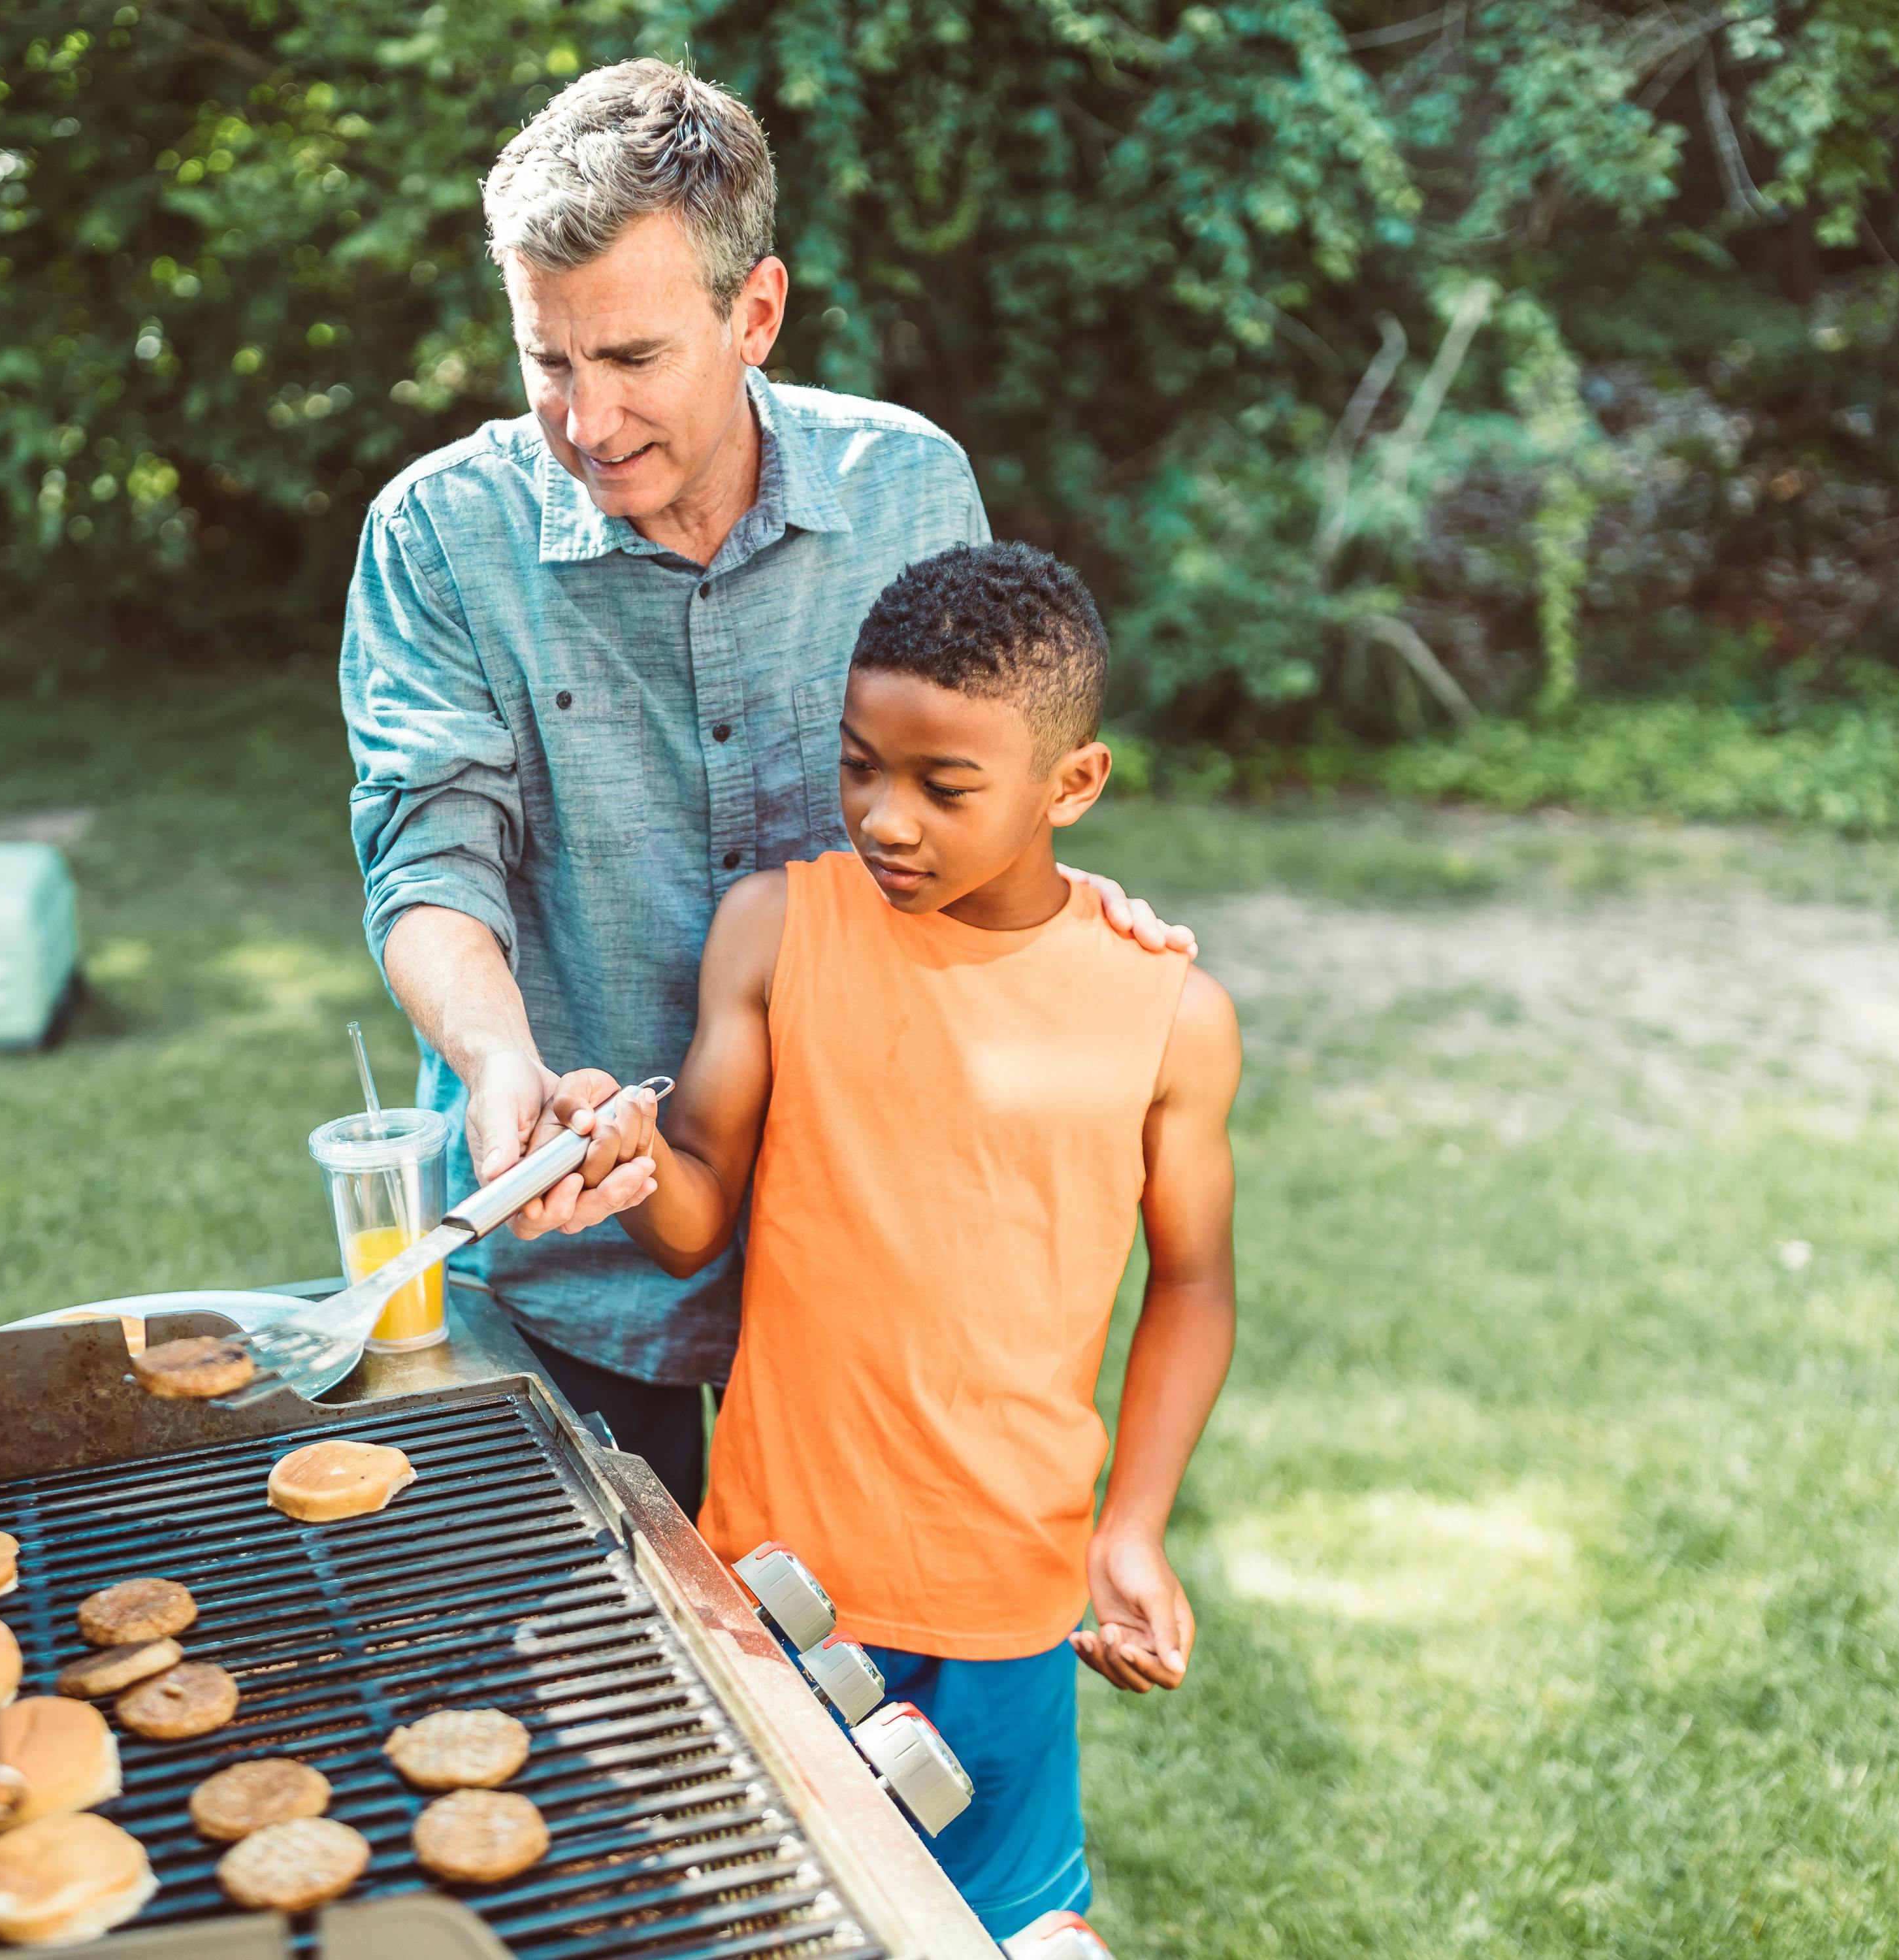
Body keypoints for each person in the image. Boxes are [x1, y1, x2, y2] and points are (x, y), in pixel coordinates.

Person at [339, 59, 1189, 1514]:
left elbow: (976, 790)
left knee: (875, 1707)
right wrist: (499, 1065)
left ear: (757, 313)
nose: (588, 420)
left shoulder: (911, 490)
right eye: (549, 362)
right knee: (599, 1683)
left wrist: (1048, 901)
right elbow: (431, 856)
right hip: (577, 1252)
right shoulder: (437, 535)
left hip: (866, 1254)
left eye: (634, 360)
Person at [580, 542, 1242, 1958]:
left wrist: (1133, 1526)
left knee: (1007, 1932)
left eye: (945, 789)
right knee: (787, 1914)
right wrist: (627, 1157)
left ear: (1073, 787)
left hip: (1008, 1584)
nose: (886, 818)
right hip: (782, 1572)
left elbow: (1192, 1280)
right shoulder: (774, 930)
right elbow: (696, 1202)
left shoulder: (1168, 1013)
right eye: (860, 766)